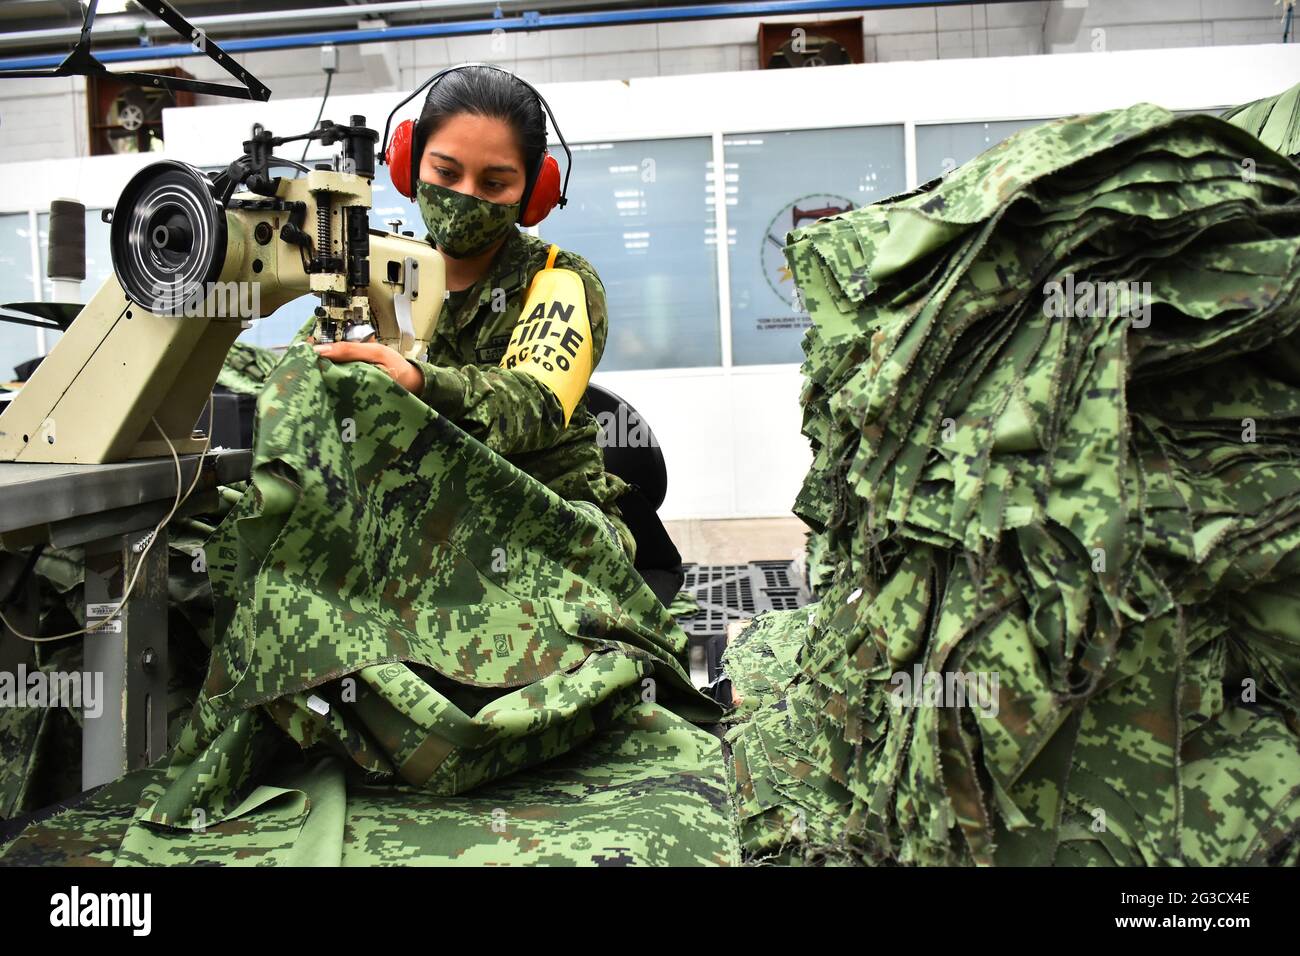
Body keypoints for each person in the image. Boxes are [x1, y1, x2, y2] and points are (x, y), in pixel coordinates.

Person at [313, 64, 635, 558]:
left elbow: (534, 404)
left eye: (494, 183)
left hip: (551, 521)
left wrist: (422, 382)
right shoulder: (371, 277)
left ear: (533, 195)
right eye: (445, 172)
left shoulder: (557, 277)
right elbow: (311, 373)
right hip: (420, 525)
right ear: (408, 167)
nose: (465, 195)